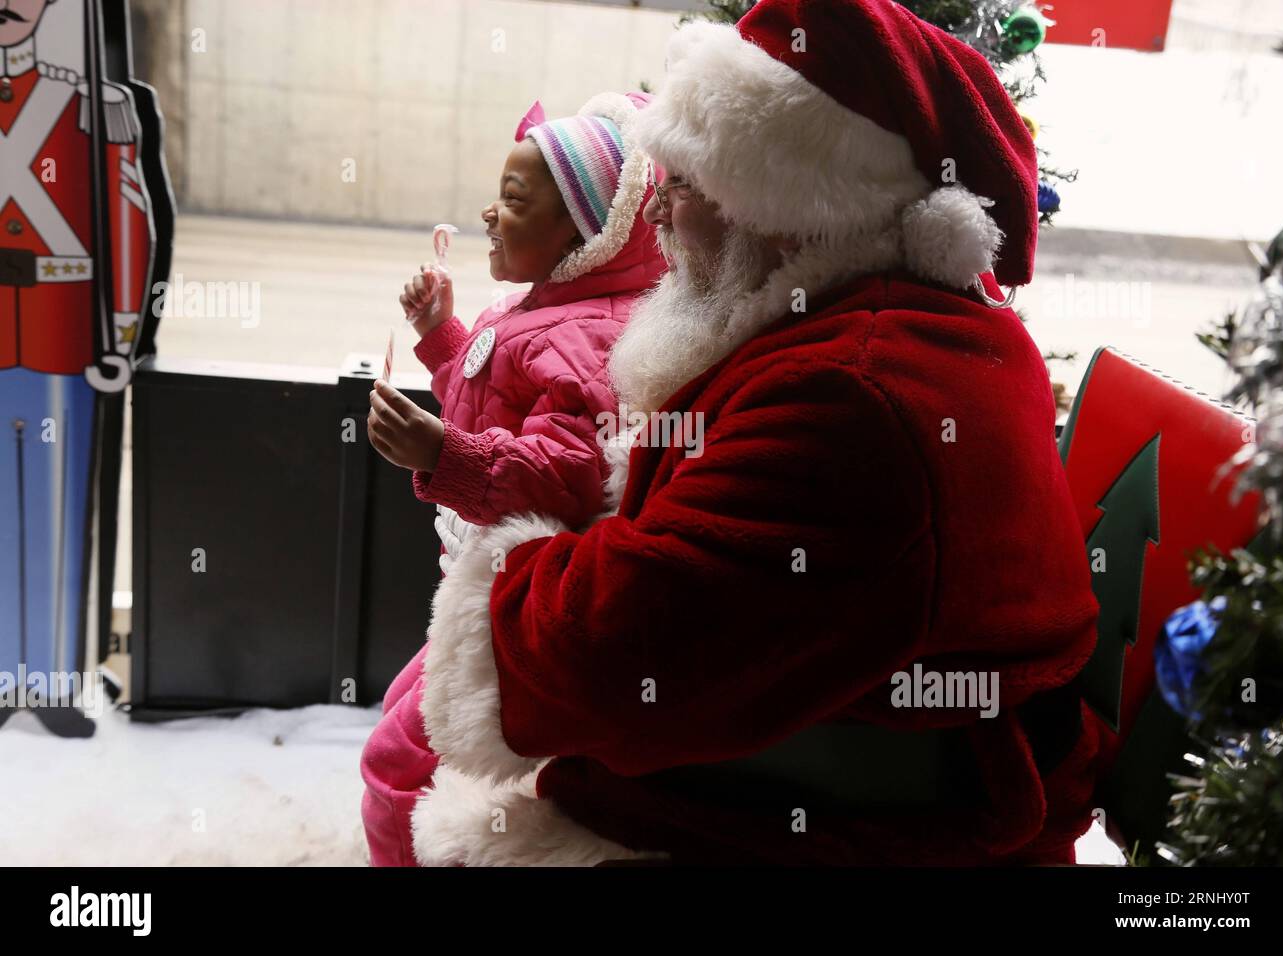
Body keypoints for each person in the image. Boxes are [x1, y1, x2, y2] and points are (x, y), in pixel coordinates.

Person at [412, 0, 1103, 866]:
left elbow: (614, 654)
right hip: (848, 774)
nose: (657, 215)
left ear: (786, 208)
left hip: (873, 820)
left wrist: (505, 579)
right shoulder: (889, 333)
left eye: (688, 186)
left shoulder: (851, 394)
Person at [360, 90, 665, 866]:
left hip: (512, 605)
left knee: (395, 769)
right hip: (476, 592)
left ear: (580, 233)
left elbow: (561, 471)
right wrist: (443, 340)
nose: (490, 214)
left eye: (514, 200)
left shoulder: (589, 336)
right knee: (406, 712)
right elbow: (496, 400)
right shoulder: (544, 310)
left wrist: (443, 456)